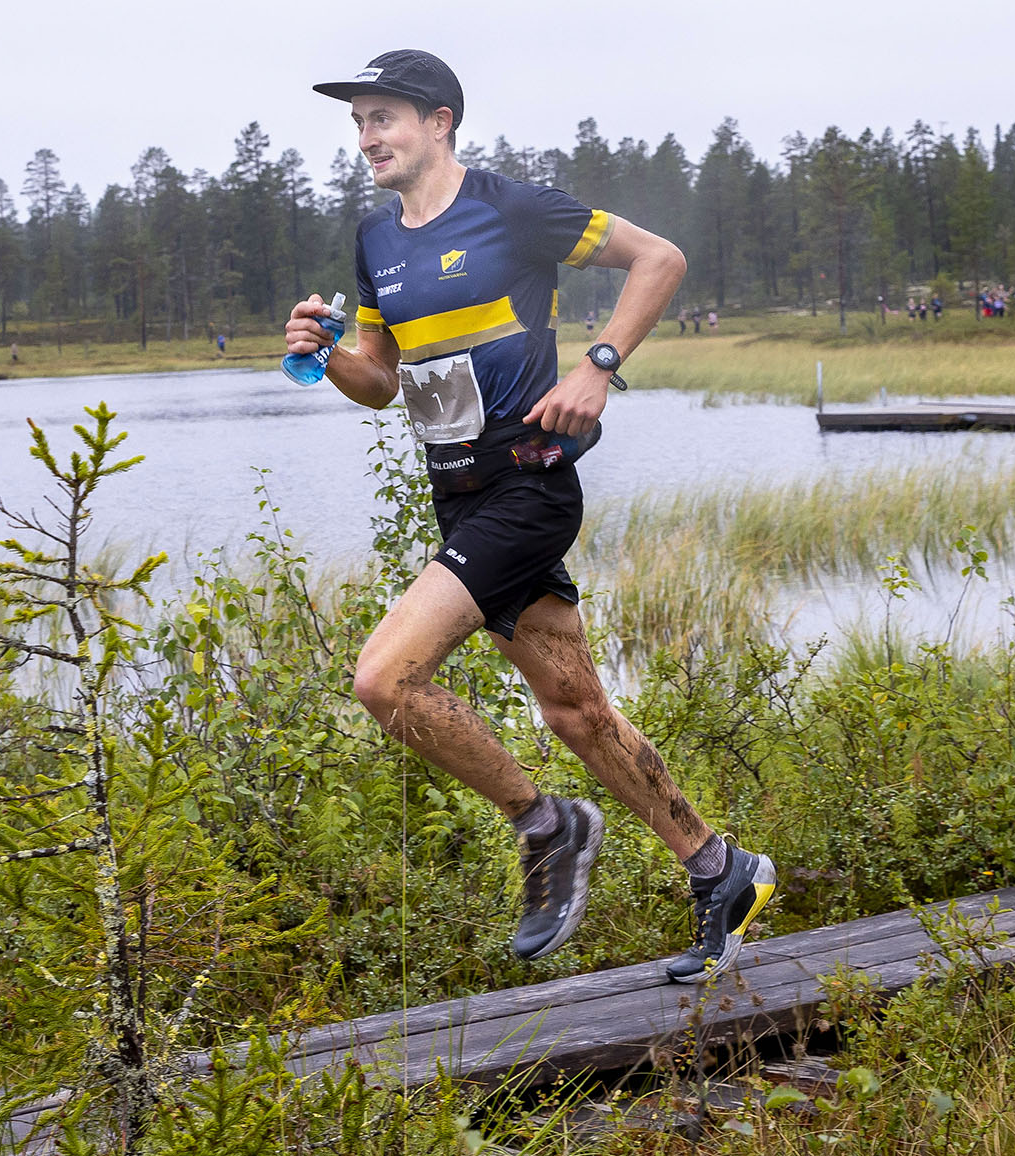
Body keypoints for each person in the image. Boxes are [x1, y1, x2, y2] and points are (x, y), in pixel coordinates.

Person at [287, 49, 776, 985]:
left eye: (382, 117)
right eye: (356, 122)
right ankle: (721, 869)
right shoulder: (375, 239)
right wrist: (323, 352)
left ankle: (547, 825)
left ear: (439, 121)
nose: (365, 137)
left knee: (384, 681)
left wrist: (597, 364)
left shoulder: (510, 207)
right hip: (458, 490)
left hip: (526, 484)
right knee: (577, 711)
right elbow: (379, 380)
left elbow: (657, 259)